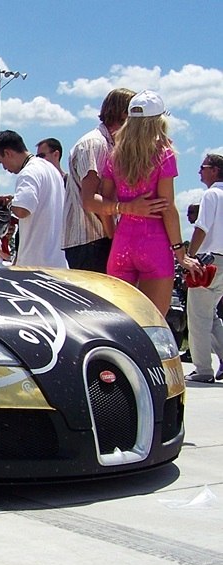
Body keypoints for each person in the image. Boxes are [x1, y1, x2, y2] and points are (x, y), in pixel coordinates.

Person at [101, 90, 200, 316]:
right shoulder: (163, 155)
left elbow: (105, 202)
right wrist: (180, 253)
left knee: (119, 320)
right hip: (154, 243)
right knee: (154, 323)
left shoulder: (115, 155)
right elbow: (168, 207)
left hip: (123, 242)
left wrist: (113, 234)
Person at [62, 88, 168, 272]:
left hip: (96, 239)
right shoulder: (95, 144)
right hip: (91, 240)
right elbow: (90, 200)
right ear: (123, 114)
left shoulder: (108, 144)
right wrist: (126, 211)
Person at [0, 130, 67, 268]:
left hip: (36, 265)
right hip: (58, 262)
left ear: (8, 153)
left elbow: (22, 210)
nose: (5, 168)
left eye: (2, 162)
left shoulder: (28, 173)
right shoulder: (51, 169)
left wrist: (6, 203)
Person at [185, 154, 223, 383]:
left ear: (215, 171)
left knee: (198, 317)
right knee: (212, 316)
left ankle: (203, 370)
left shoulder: (211, 195)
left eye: (203, 167)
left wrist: (189, 256)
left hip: (209, 263)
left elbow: (202, 228)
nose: (199, 171)